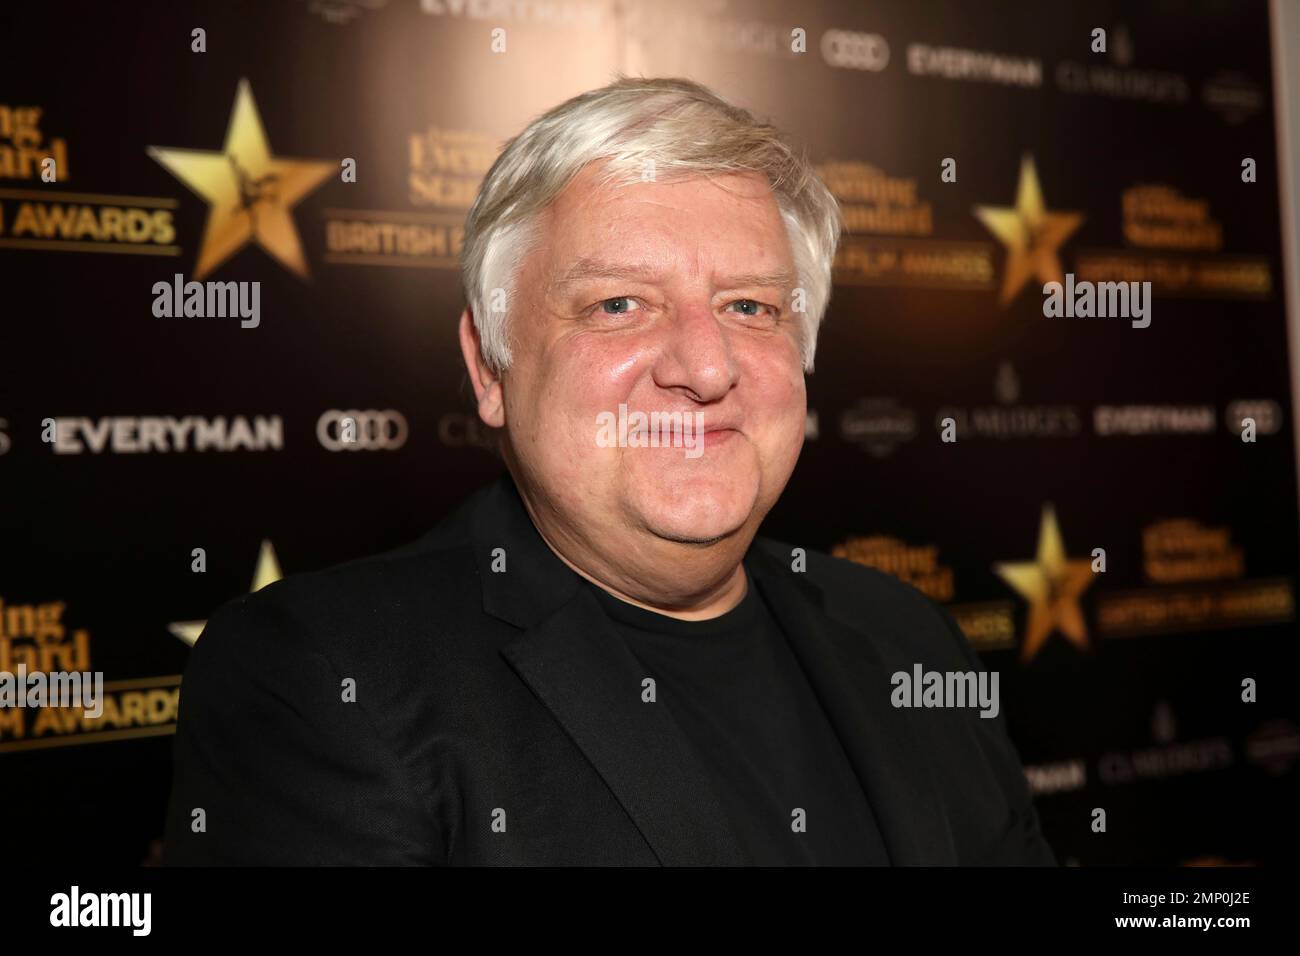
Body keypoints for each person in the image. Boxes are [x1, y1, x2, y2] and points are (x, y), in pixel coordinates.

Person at [163, 75, 1055, 866]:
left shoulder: (909, 640)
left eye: (750, 306)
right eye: (619, 304)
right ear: (490, 367)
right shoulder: (321, 678)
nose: (706, 368)